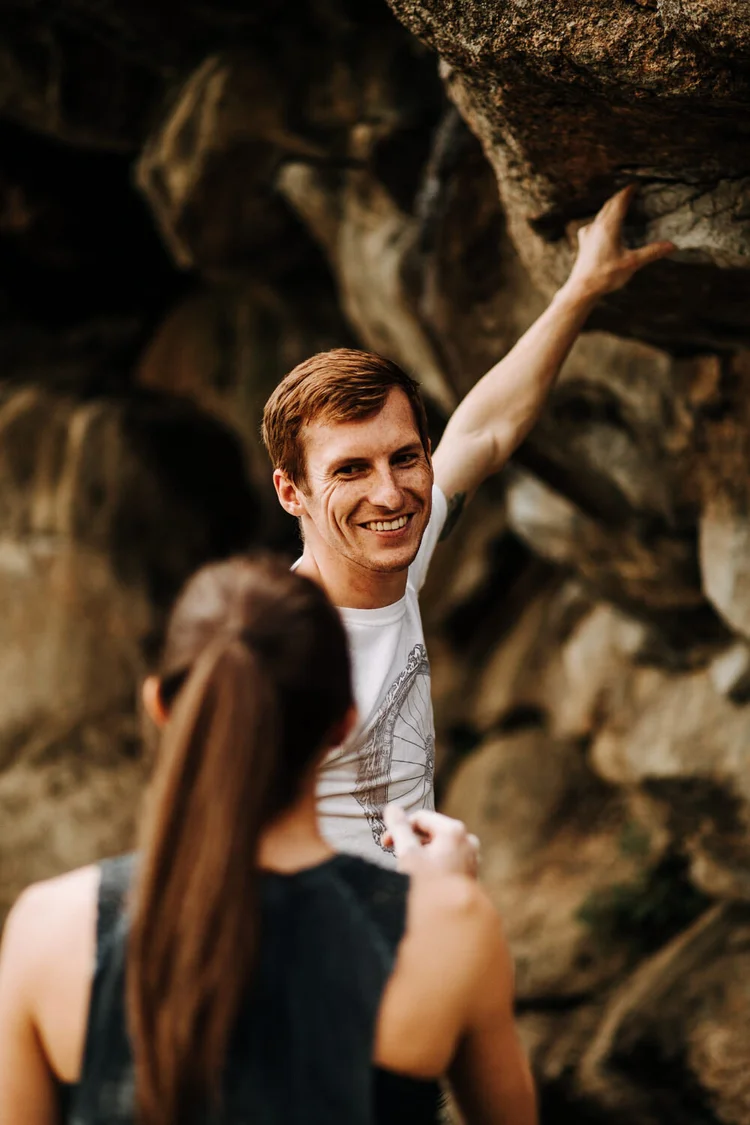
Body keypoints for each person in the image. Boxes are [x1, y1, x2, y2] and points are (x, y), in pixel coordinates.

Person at [0, 555, 535, 1125]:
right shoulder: (450, 931)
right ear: (343, 724)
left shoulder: (48, 930)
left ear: (159, 706)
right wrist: (437, 902)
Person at [261, 185, 674, 863]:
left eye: (405, 457)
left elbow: (485, 428)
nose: (390, 494)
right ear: (291, 492)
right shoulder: (280, 652)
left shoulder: (395, 554)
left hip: (418, 940)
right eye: (349, 471)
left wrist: (582, 287)